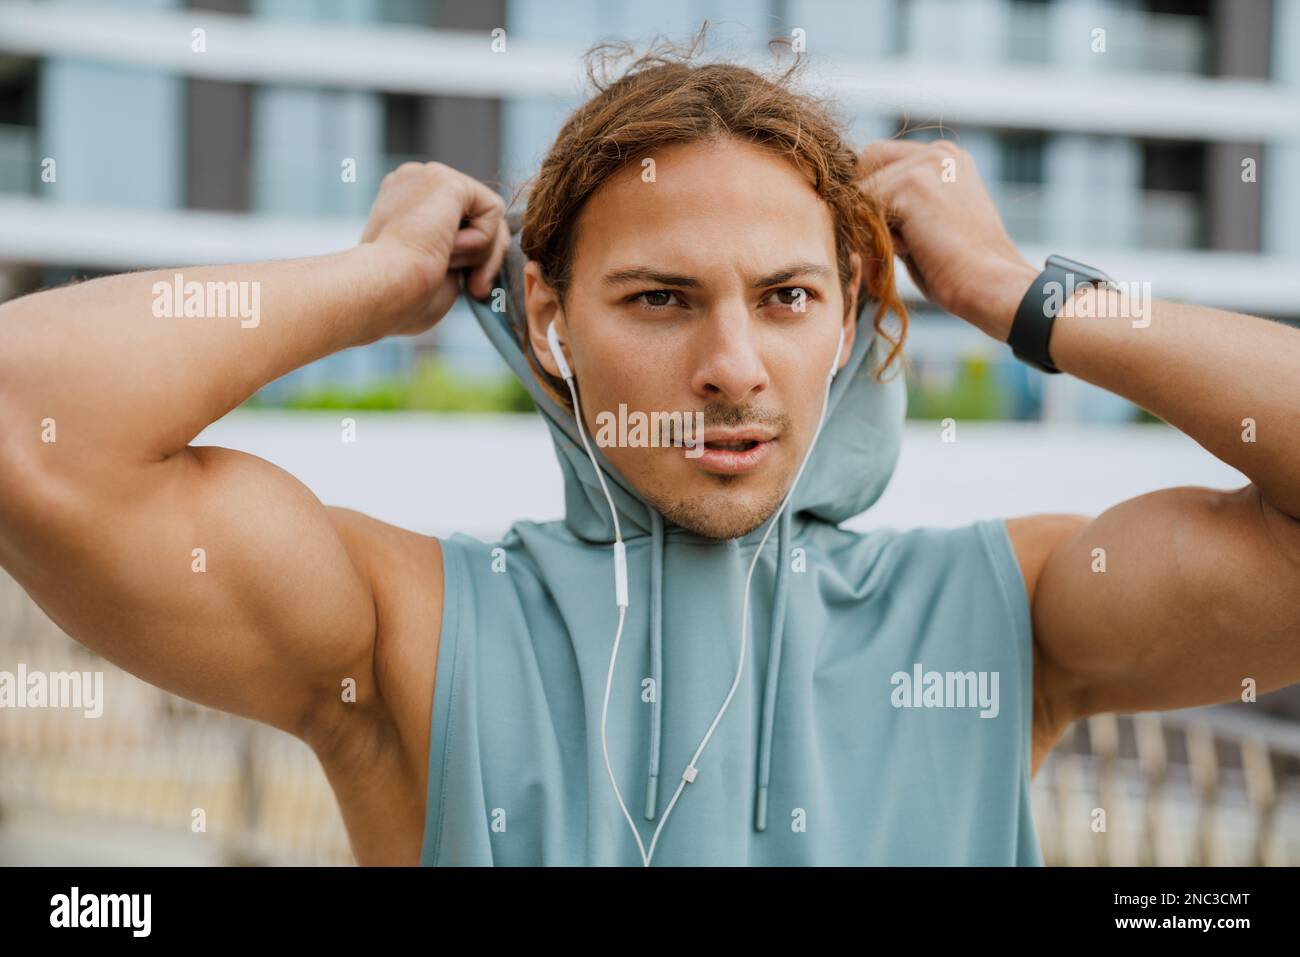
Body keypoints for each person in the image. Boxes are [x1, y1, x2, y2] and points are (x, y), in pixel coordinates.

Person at [2, 42, 1298, 867]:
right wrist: (372, 279)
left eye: (787, 297)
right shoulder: (408, 630)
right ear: (553, 322)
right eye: (661, 299)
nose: (732, 363)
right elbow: (28, 425)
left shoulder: (1000, 614)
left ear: (848, 315)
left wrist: (1030, 295)